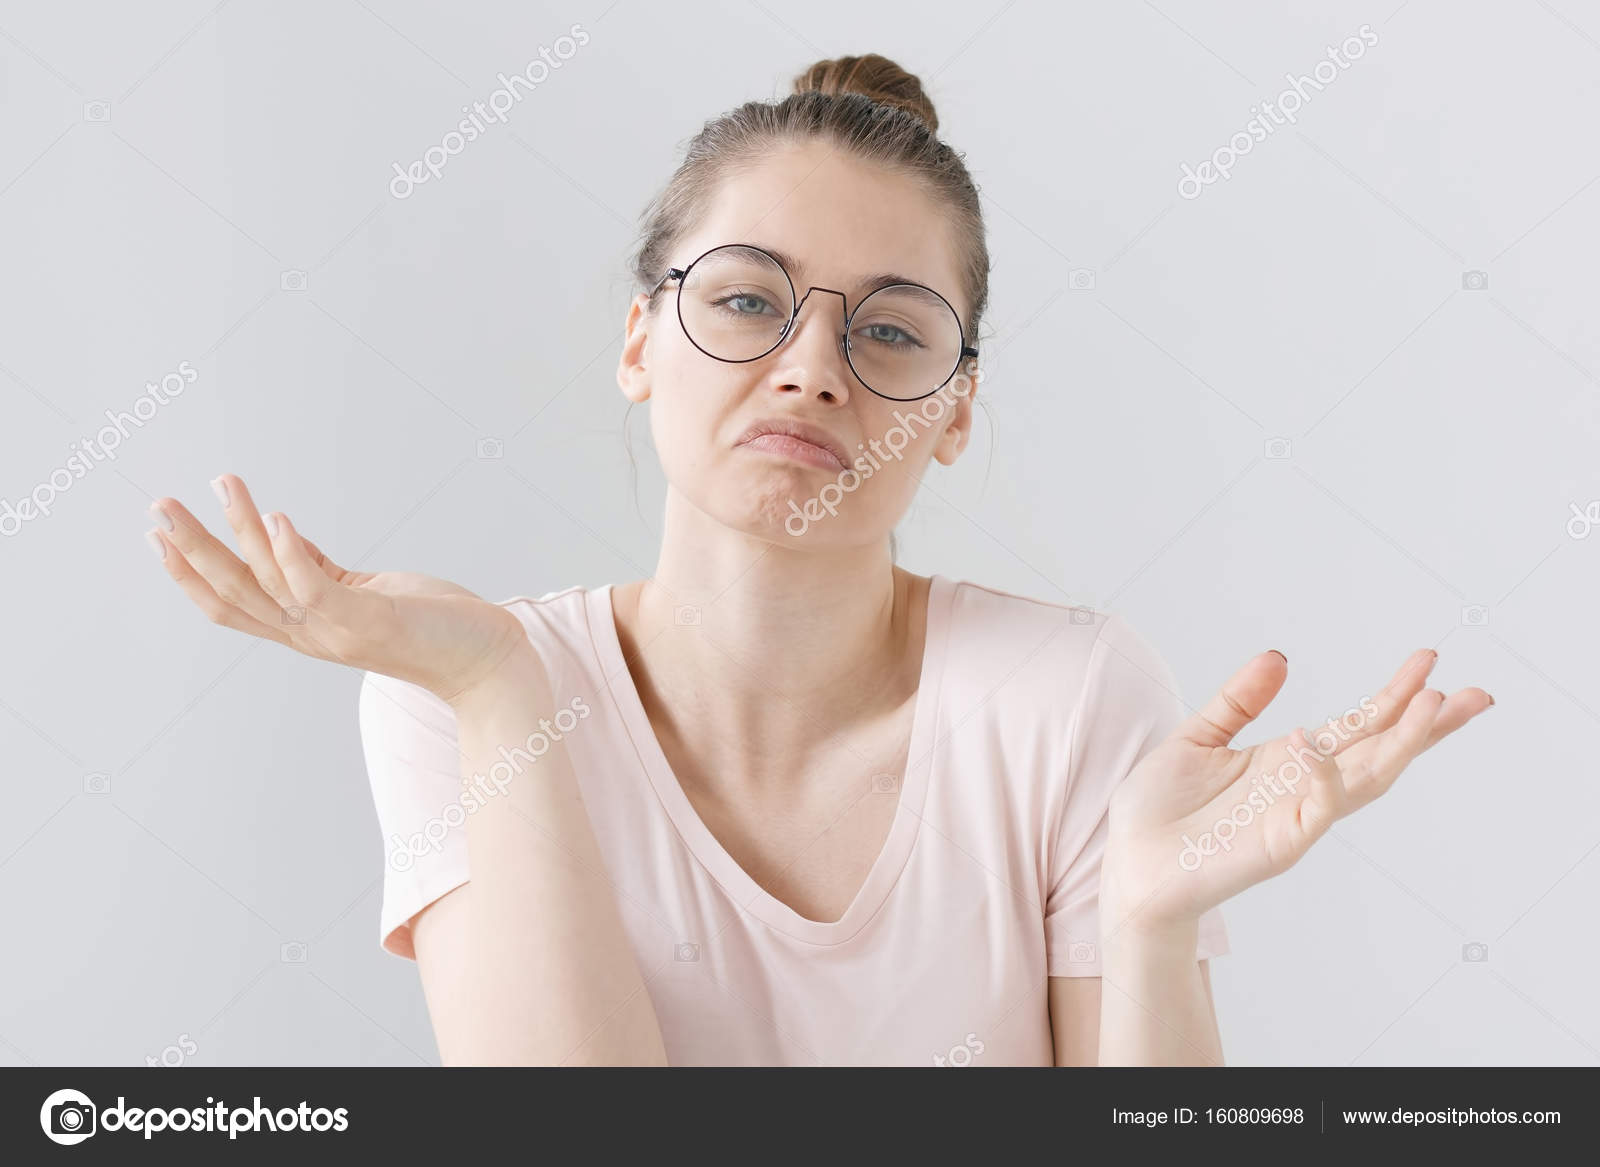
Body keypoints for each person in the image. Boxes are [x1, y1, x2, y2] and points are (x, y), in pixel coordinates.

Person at [142, 53, 1492, 1066]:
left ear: (956, 409)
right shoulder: (452, 690)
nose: (809, 371)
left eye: (892, 333)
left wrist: (1138, 927)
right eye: (744, 301)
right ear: (636, 344)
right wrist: (499, 685)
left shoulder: (1069, 694)